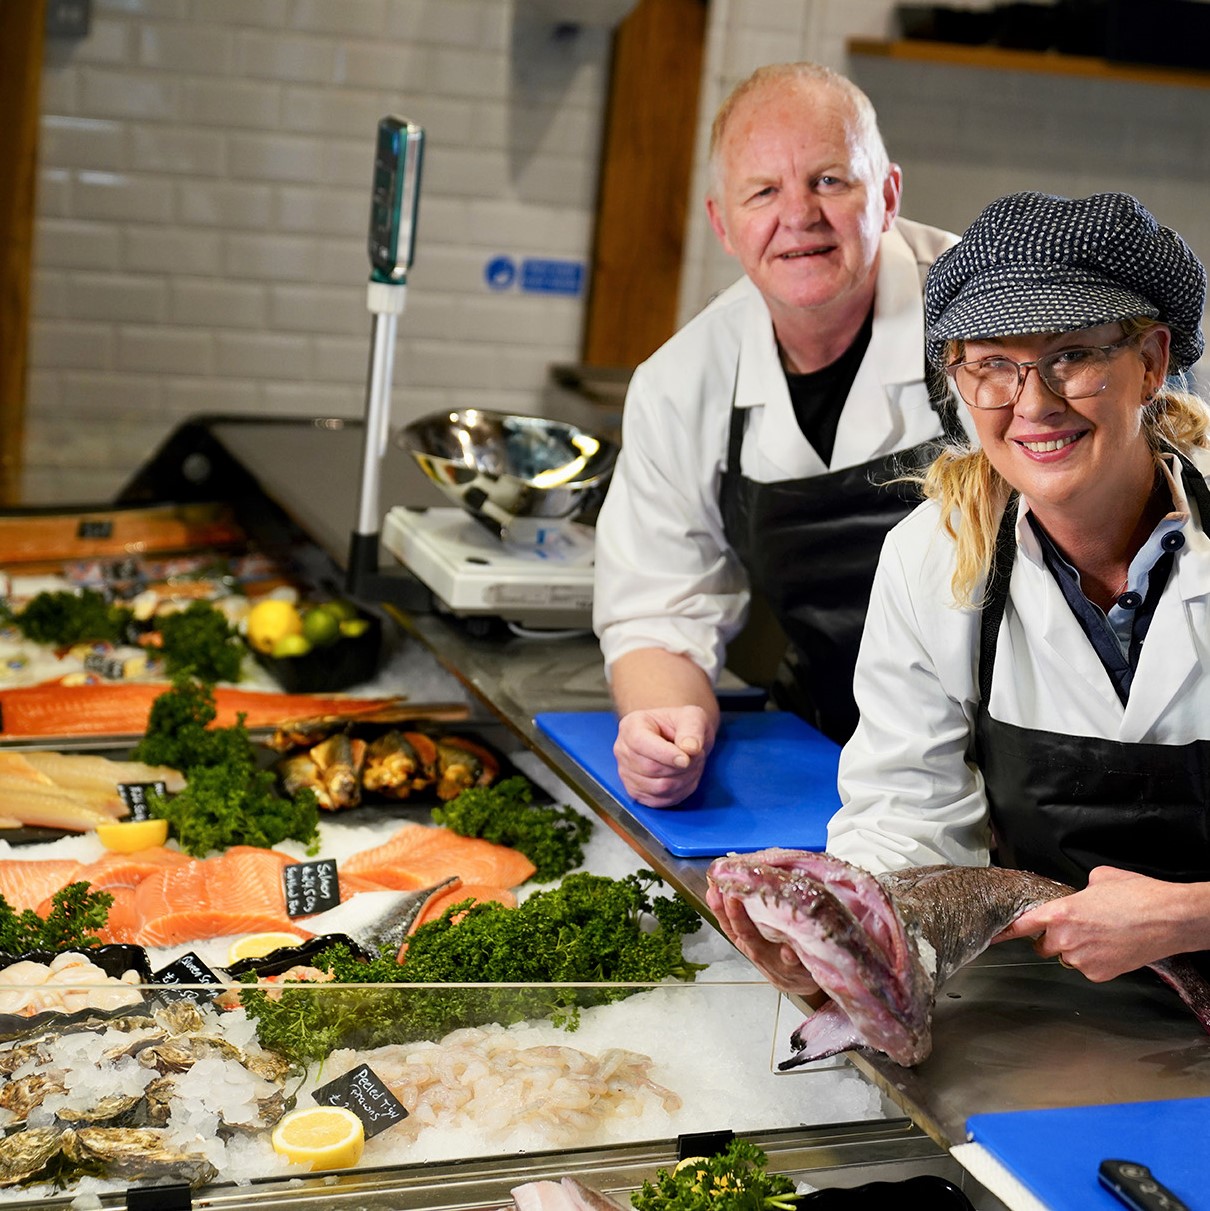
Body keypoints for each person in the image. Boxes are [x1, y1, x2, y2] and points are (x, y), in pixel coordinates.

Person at [710, 189, 1210, 997]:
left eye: (1071, 355)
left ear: (1151, 361)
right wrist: (845, 932)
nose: (1034, 403)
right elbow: (908, 813)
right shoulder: (930, 558)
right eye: (993, 366)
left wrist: (1191, 915)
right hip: (1055, 1010)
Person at [592, 62, 968, 808]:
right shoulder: (683, 380)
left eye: (830, 180)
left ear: (888, 195)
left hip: (1019, 748)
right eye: (763, 191)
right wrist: (661, 725)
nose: (798, 215)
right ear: (722, 223)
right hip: (829, 750)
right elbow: (658, 606)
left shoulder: (987, 326)